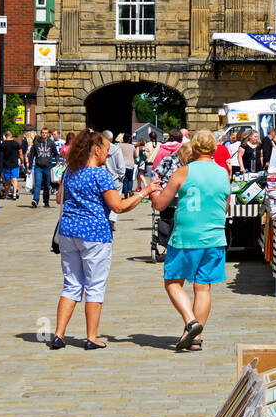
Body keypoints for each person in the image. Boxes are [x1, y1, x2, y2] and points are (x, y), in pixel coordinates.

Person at [49, 129, 151, 350]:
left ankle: (59, 334)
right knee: (95, 285)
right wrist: (143, 193)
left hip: (68, 232)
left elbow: (59, 198)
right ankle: (91, 337)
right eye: (106, 150)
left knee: (71, 284)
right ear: (96, 150)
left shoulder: (70, 171)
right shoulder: (100, 175)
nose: (107, 154)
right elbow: (118, 206)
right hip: (94, 233)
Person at [149, 129, 230, 352]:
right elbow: (225, 205)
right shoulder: (223, 173)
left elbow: (160, 205)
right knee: (203, 287)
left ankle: (191, 321)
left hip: (186, 236)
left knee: (173, 282)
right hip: (214, 236)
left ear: (192, 148)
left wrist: (153, 191)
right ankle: (196, 338)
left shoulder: (183, 171)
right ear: (214, 149)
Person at [30, 127, 60, 208]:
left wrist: (57, 161)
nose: (44, 134)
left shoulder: (51, 143)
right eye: (43, 132)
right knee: (38, 184)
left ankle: (46, 201)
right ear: (41, 133)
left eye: (46, 133)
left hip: (48, 167)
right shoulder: (36, 143)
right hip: (38, 167)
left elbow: (56, 153)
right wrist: (29, 168)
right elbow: (31, 156)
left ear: (48, 134)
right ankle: (35, 200)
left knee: (47, 185)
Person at [0, 131, 23, 201]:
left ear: (5, 136)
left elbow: (1, 155)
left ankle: (6, 195)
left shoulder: (3, 144)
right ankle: (14, 194)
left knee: (7, 180)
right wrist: (22, 162)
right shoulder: (16, 143)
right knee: (14, 179)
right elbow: (21, 154)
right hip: (14, 164)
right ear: (11, 135)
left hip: (6, 164)